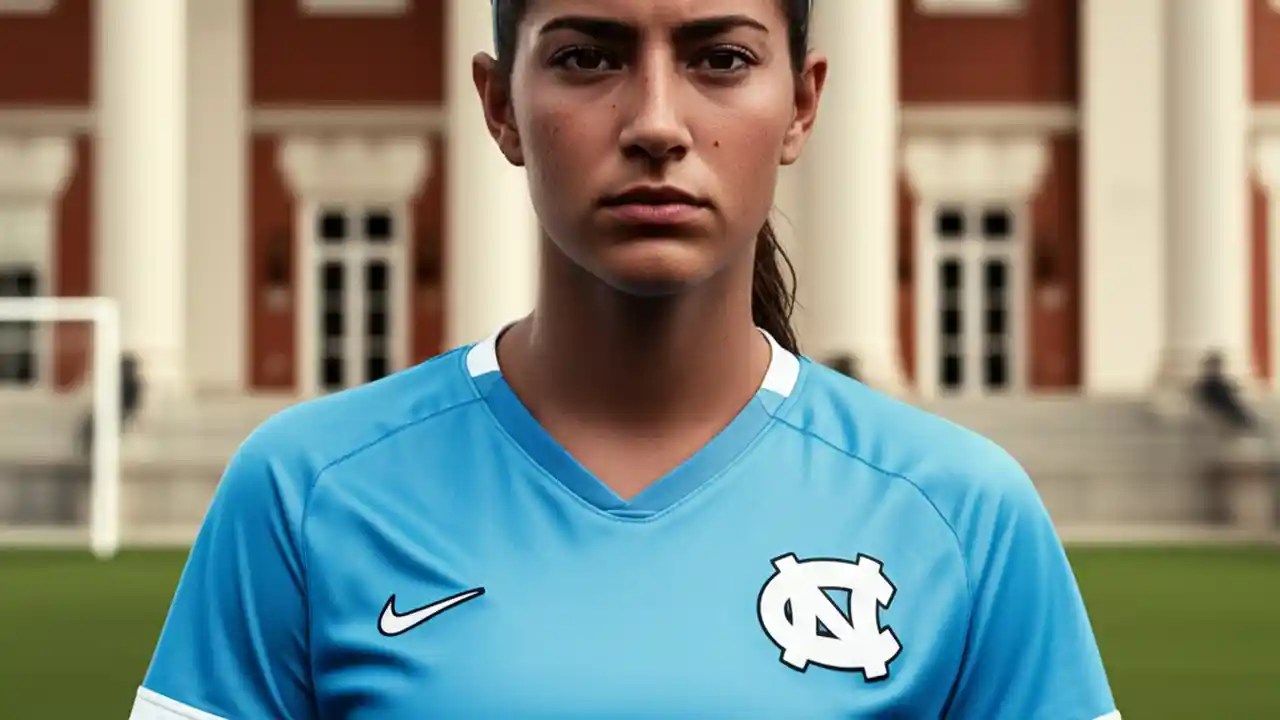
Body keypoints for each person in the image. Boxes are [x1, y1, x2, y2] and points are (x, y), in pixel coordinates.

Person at [130, 1, 1120, 718]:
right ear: (499, 106)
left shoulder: (959, 512)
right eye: (586, 56)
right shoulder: (305, 489)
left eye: (721, 57)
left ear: (803, 104)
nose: (655, 123)